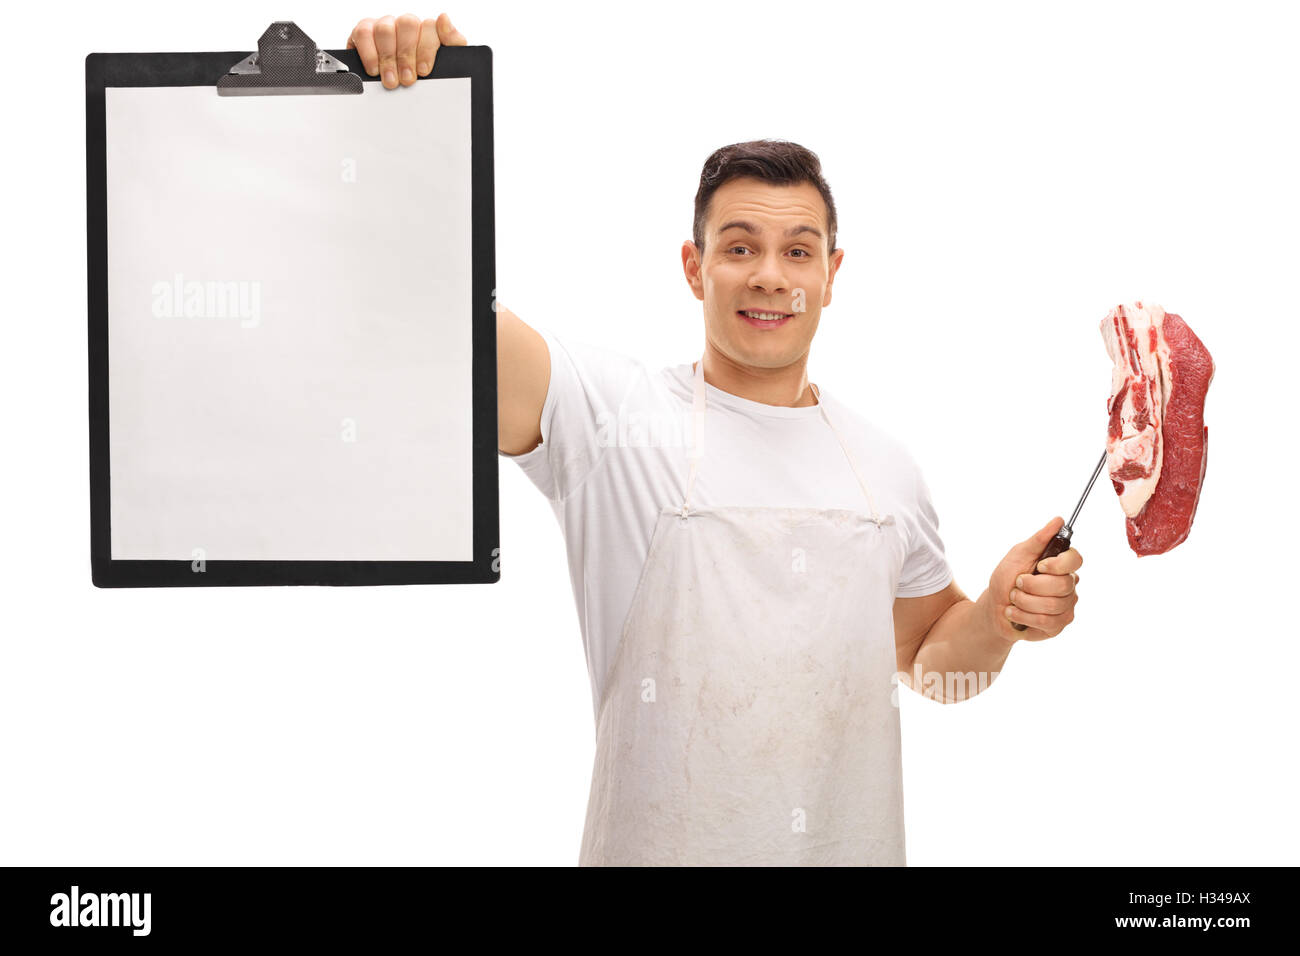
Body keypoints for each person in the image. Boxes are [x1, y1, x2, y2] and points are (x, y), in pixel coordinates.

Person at [348, 13, 1083, 866]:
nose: (769, 274)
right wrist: (407, 117)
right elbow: (441, 312)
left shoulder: (885, 466)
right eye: (740, 247)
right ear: (695, 267)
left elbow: (925, 659)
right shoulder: (612, 419)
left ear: (831, 275)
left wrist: (996, 617)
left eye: (797, 251)